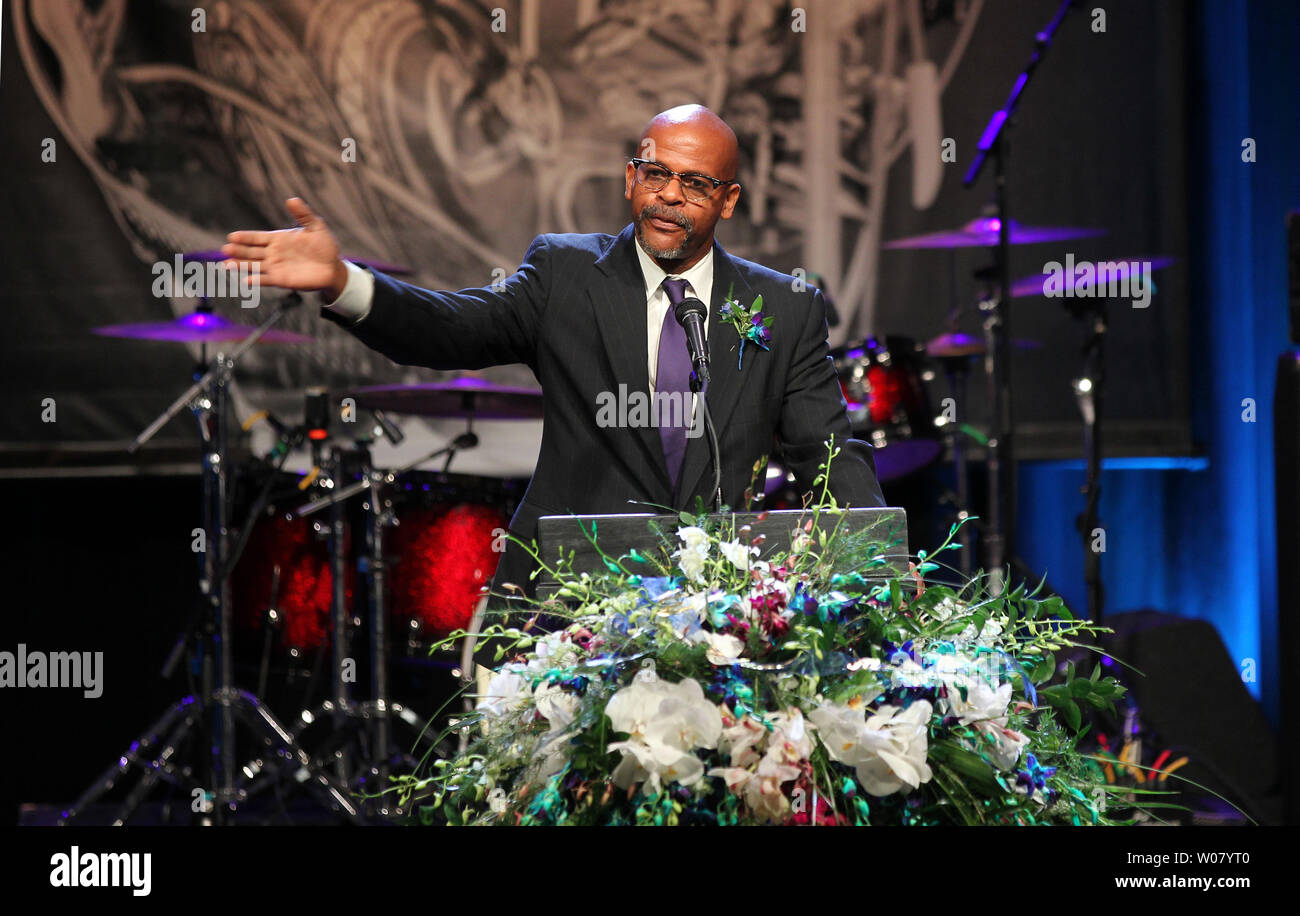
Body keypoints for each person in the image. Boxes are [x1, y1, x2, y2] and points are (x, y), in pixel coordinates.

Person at [222, 104, 884, 600]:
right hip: (569, 603)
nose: (670, 196)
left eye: (696, 183)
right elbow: (450, 328)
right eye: (655, 173)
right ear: (631, 179)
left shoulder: (784, 306)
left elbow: (828, 452)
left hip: (720, 612)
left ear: (729, 199)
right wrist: (346, 283)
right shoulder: (565, 274)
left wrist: (878, 560)